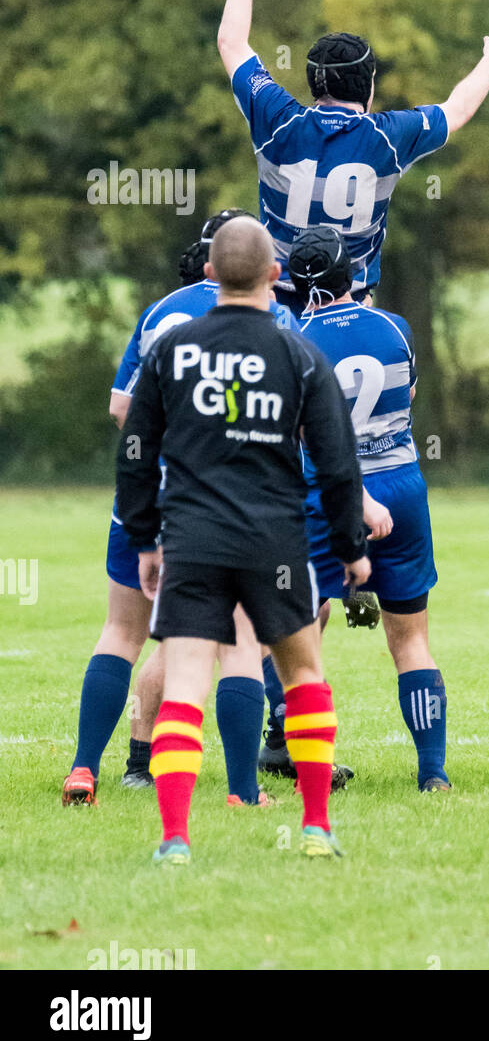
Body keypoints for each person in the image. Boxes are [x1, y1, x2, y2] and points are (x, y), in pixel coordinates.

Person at [116, 217, 369, 863]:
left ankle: (174, 840)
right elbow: (338, 464)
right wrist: (350, 549)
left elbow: (136, 450)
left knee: (185, 686)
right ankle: (316, 828)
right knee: (304, 673)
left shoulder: (173, 350)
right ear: (274, 276)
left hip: (193, 539)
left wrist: (146, 538)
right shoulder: (298, 353)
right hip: (275, 543)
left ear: (209, 273)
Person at [62, 210, 293, 807]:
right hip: (234, 503)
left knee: (120, 632)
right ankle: (244, 791)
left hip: (152, 494)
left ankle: (84, 769)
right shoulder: (279, 316)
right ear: (266, 263)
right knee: (239, 641)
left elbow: (123, 409)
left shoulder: (162, 312)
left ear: (209, 259)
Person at [216, 0, 489, 312]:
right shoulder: (388, 137)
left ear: (315, 84)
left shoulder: (278, 119)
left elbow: (231, 42)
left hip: (277, 307)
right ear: (368, 87)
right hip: (352, 308)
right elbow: (456, 111)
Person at [277, 225, 451, 793]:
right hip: (401, 483)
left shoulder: (292, 340)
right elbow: (409, 401)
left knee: (300, 632)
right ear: (351, 274)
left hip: (326, 492)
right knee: (411, 639)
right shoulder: (394, 328)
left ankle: (306, 762)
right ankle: (433, 773)